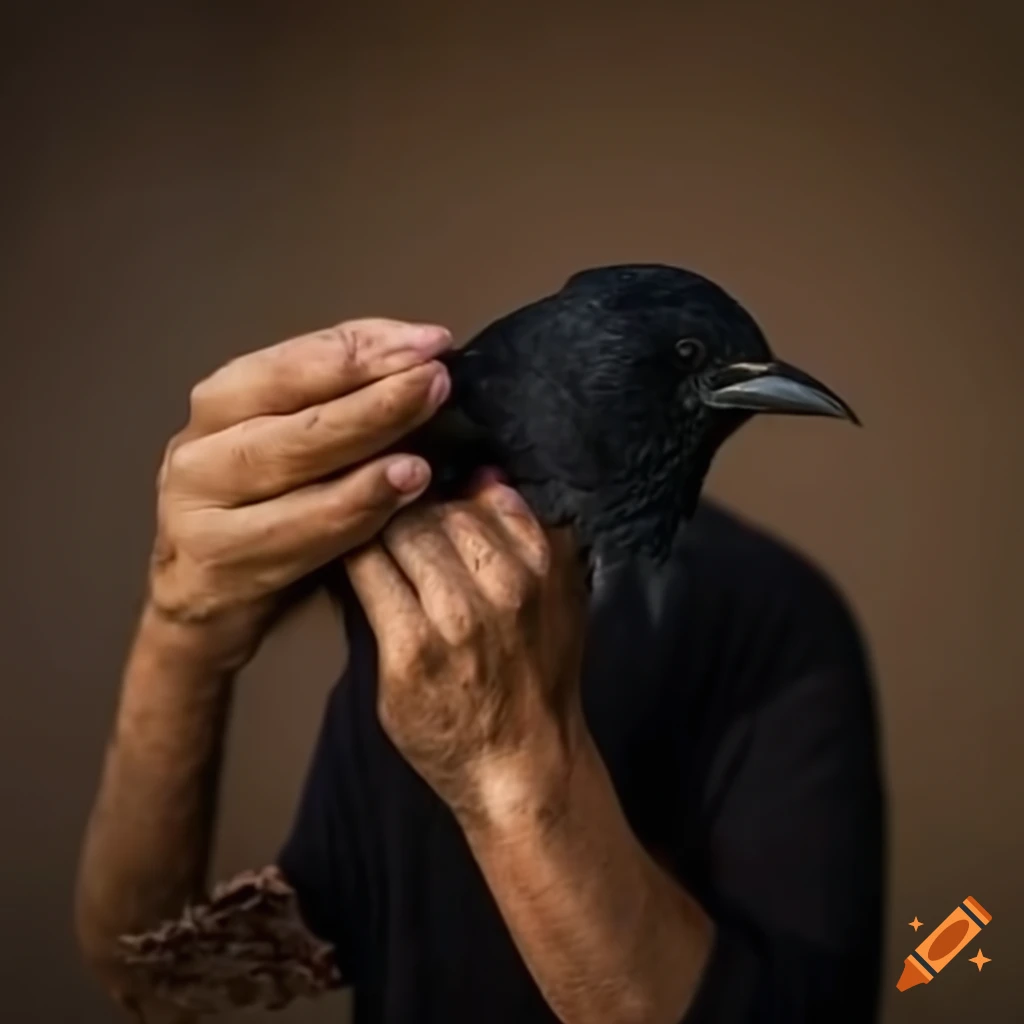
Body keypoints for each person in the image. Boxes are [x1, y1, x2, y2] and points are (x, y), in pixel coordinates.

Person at [74, 317, 886, 1023]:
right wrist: (183, 631)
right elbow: (172, 982)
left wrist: (511, 768)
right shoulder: (419, 595)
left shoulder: (769, 620)